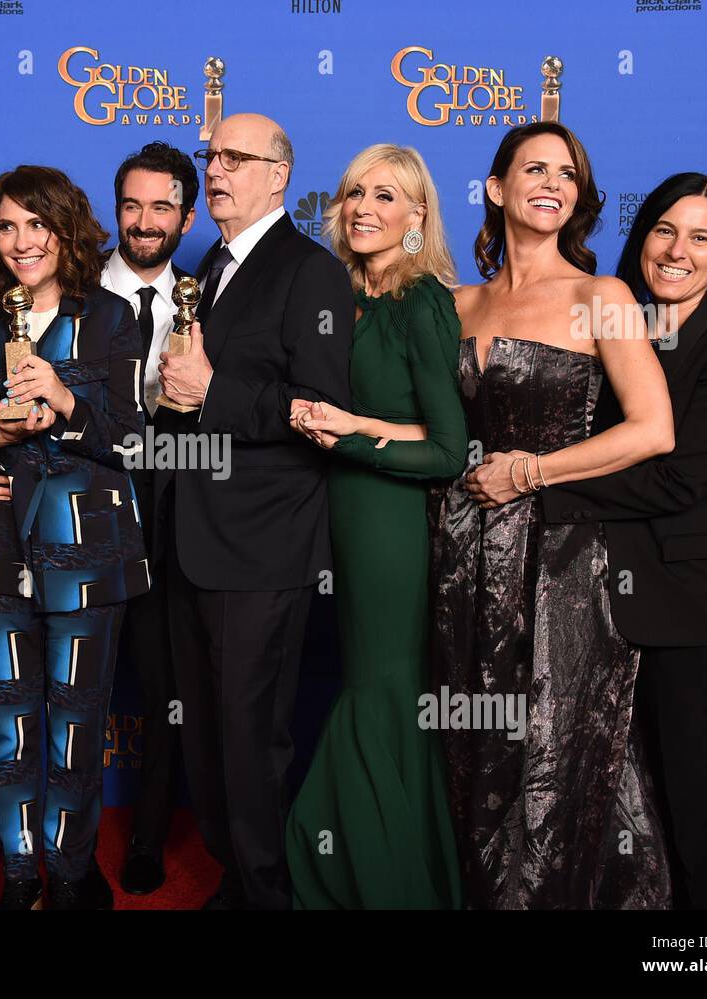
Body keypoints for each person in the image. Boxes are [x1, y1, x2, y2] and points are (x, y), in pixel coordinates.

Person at [430, 122, 675, 908]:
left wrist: (529, 471)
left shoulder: (603, 298)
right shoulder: (453, 303)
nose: (553, 185)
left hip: (561, 554)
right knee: (471, 737)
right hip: (460, 553)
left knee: (556, 741)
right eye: (535, 169)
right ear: (496, 187)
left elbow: (652, 429)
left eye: (568, 175)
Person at [537, 174, 707, 909]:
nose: (676, 251)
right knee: (627, 815)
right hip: (599, 607)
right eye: (664, 231)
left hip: (699, 612)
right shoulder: (620, 325)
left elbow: (677, 480)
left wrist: (540, 485)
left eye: (701, 237)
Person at [0, 165, 147, 910]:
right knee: (9, 724)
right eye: (7, 226)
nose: (22, 241)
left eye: (38, 224)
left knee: (77, 725)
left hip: (89, 553)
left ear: (66, 229)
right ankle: (21, 873)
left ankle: (72, 869)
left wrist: (66, 402)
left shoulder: (112, 317)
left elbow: (134, 439)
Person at [156, 113, 354, 910]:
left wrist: (213, 392)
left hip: (264, 546)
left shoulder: (311, 273)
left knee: (248, 738)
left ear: (280, 176)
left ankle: (267, 892)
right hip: (190, 534)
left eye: (236, 158)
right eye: (211, 156)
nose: (215, 170)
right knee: (207, 736)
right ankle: (236, 878)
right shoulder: (211, 263)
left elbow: (321, 407)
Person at [283, 144, 467, 909]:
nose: (363, 208)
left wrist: (349, 437)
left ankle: (380, 882)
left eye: (386, 196)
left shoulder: (422, 303)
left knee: (379, 691)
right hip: (323, 514)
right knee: (357, 687)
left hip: (385, 522)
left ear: (418, 215)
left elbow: (449, 448)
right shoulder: (331, 292)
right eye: (355, 192)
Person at [102, 141, 196, 895]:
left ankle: (148, 835)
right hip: (79, 521)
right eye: (132, 205)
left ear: (186, 218)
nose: (144, 221)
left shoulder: (207, 301)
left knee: (164, 685)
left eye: (161, 206)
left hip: (170, 525)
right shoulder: (69, 294)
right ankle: (54, 840)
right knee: (66, 682)